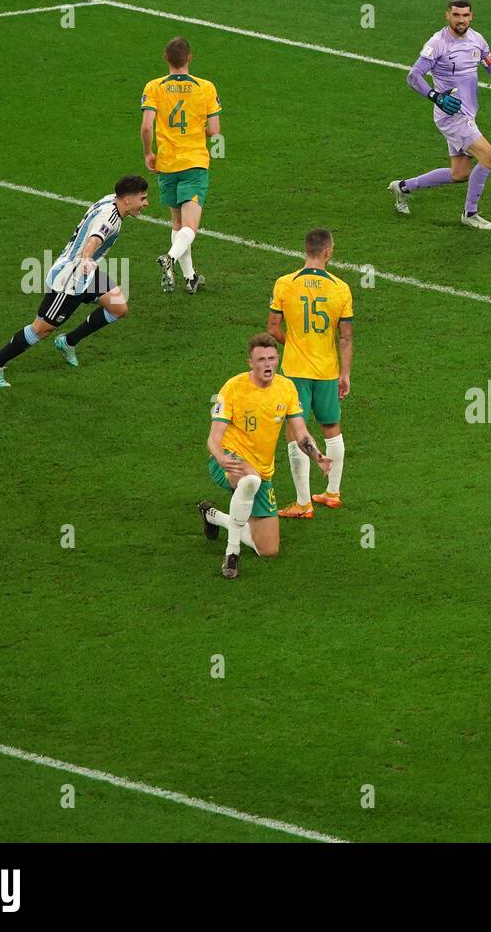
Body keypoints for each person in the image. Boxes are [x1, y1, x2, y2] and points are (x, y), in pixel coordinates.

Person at [0, 175, 149, 388]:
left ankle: (67, 342)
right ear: (127, 200)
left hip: (87, 272)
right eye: (142, 198)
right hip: (70, 278)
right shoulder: (109, 219)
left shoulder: (110, 200)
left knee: (118, 308)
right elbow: (94, 239)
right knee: (41, 329)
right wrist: (87, 258)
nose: (146, 203)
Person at [388, 0, 491, 230]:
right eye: (456, 15)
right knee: (488, 156)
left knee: (459, 174)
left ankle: (403, 187)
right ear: (447, 15)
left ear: (471, 16)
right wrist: (436, 97)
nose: (461, 20)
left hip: (468, 113)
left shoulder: (477, 40)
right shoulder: (438, 43)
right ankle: (470, 213)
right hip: (452, 115)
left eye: (465, 15)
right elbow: (413, 76)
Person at [199, 333, 331, 579]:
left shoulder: (286, 388)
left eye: (271, 358)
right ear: (250, 362)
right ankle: (232, 553)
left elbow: (301, 433)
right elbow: (213, 438)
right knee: (250, 479)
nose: (267, 364)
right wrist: (219, 456)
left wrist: (317, 456)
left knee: (268, 550)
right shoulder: (233, 388)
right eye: (261, 360)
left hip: (262, 470)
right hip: (228, 459)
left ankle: (213, 516)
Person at [266, 228, 354, 518]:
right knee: (332, 428)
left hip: (295, 371)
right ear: (328, 251)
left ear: (306, 250)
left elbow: (273, 329)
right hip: (328, 370)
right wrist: (345, 373)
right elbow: (345, 337)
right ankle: (332, 492)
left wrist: (293, 342)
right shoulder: (340, 288)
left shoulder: (284, 284)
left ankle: (303, 503)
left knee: (294, 432)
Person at [142, 36, 222, 294]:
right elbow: (214, 130)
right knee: (190, 227)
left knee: (177, 225)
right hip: (194, 163)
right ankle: (170, 259)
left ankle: (190, 278)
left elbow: (146, 126)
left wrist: (148, 153)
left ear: (166, 58)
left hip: (167, 164)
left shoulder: (154, 87)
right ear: (189, 58)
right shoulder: (206, 87)